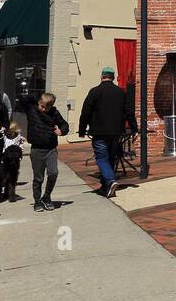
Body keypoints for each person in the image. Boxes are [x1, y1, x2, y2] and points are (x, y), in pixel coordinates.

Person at [78, 67, 135, 198]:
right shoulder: (121, 93)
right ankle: (106, 186)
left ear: (101, 77)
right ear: (113, 77)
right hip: (116, 132)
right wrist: (134, 128)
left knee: (101, 158)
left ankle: (110, 180)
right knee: (110, 158)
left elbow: (85, 112)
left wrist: (82, 130)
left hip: (99, 132)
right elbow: (129, 111)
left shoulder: (94, 92)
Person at [24, 91, 69, 211]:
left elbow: (64, 125)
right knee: (38, 178)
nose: (43, 109)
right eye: (42, 106)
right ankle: (37, 201)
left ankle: (47, 197)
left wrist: (62, 131)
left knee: (53, 173)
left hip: (51, 149)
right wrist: (39, 96)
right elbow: (26, 99)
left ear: (51, 106)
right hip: (37, 149)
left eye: (47, 107)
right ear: (39, 102)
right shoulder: (32, 110)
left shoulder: (54, 113)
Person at [0, 122, 26, 203]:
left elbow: (21, 150)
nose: (9, 132)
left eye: (11, 131)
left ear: (15, 131)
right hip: (3, 160)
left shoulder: (19, 138)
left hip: (15, 162)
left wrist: (19, 156)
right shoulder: (2, 137)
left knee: (12, 180)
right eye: (8, 131)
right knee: (0, 180)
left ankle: (11, 195)